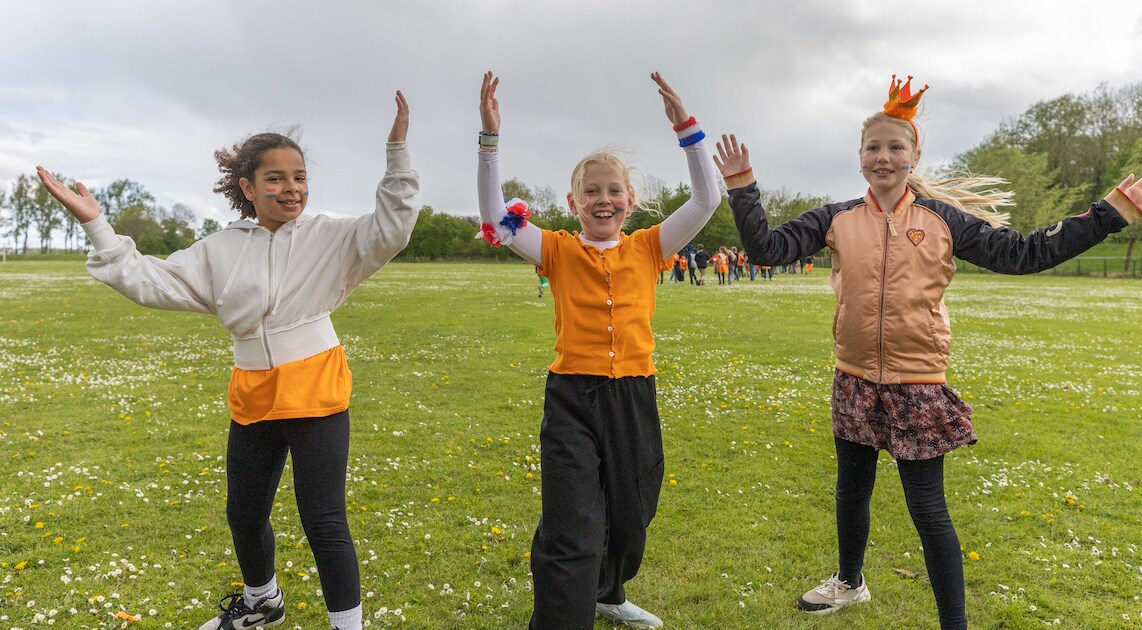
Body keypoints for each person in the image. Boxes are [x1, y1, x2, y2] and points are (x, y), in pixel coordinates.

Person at [715, 75, 1142, 629]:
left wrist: (1109, 213)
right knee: (851, 492)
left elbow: (1024, 254)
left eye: (895, 147)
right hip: (854, 378)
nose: (883, 157)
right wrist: (742, 188)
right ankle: (849, 583)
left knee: (929, 512)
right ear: (860, 158)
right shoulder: (835, 219)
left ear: (913, 156)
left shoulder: (942, 221)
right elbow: (766, 250)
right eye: (873, 147)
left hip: (917, 385)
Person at [37, 90, 421, 630]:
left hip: (315, 390)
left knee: (324, 521)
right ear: (248, 187)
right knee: (243, 514)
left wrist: (397, 156)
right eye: (276, 178)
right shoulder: (218, 250)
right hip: (253, 392)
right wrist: (97, 224)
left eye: (300, 177)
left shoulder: (332, 236)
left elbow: (392, 228)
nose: (292, 188)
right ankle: (263, 605)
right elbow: (149, 280)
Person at [477, 70, 719, 629]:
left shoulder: (650, 246)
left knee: (633, 513)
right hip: (572, 397)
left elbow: (707, 198)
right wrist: (490, 140)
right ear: (573, 201)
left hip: (633, 394)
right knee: (571, 523)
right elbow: (494, 218)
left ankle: (608, 592)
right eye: (592, 191)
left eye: (613, 191)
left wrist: (686, 129)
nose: (603, 199)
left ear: (629, 201)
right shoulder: (555, 249)